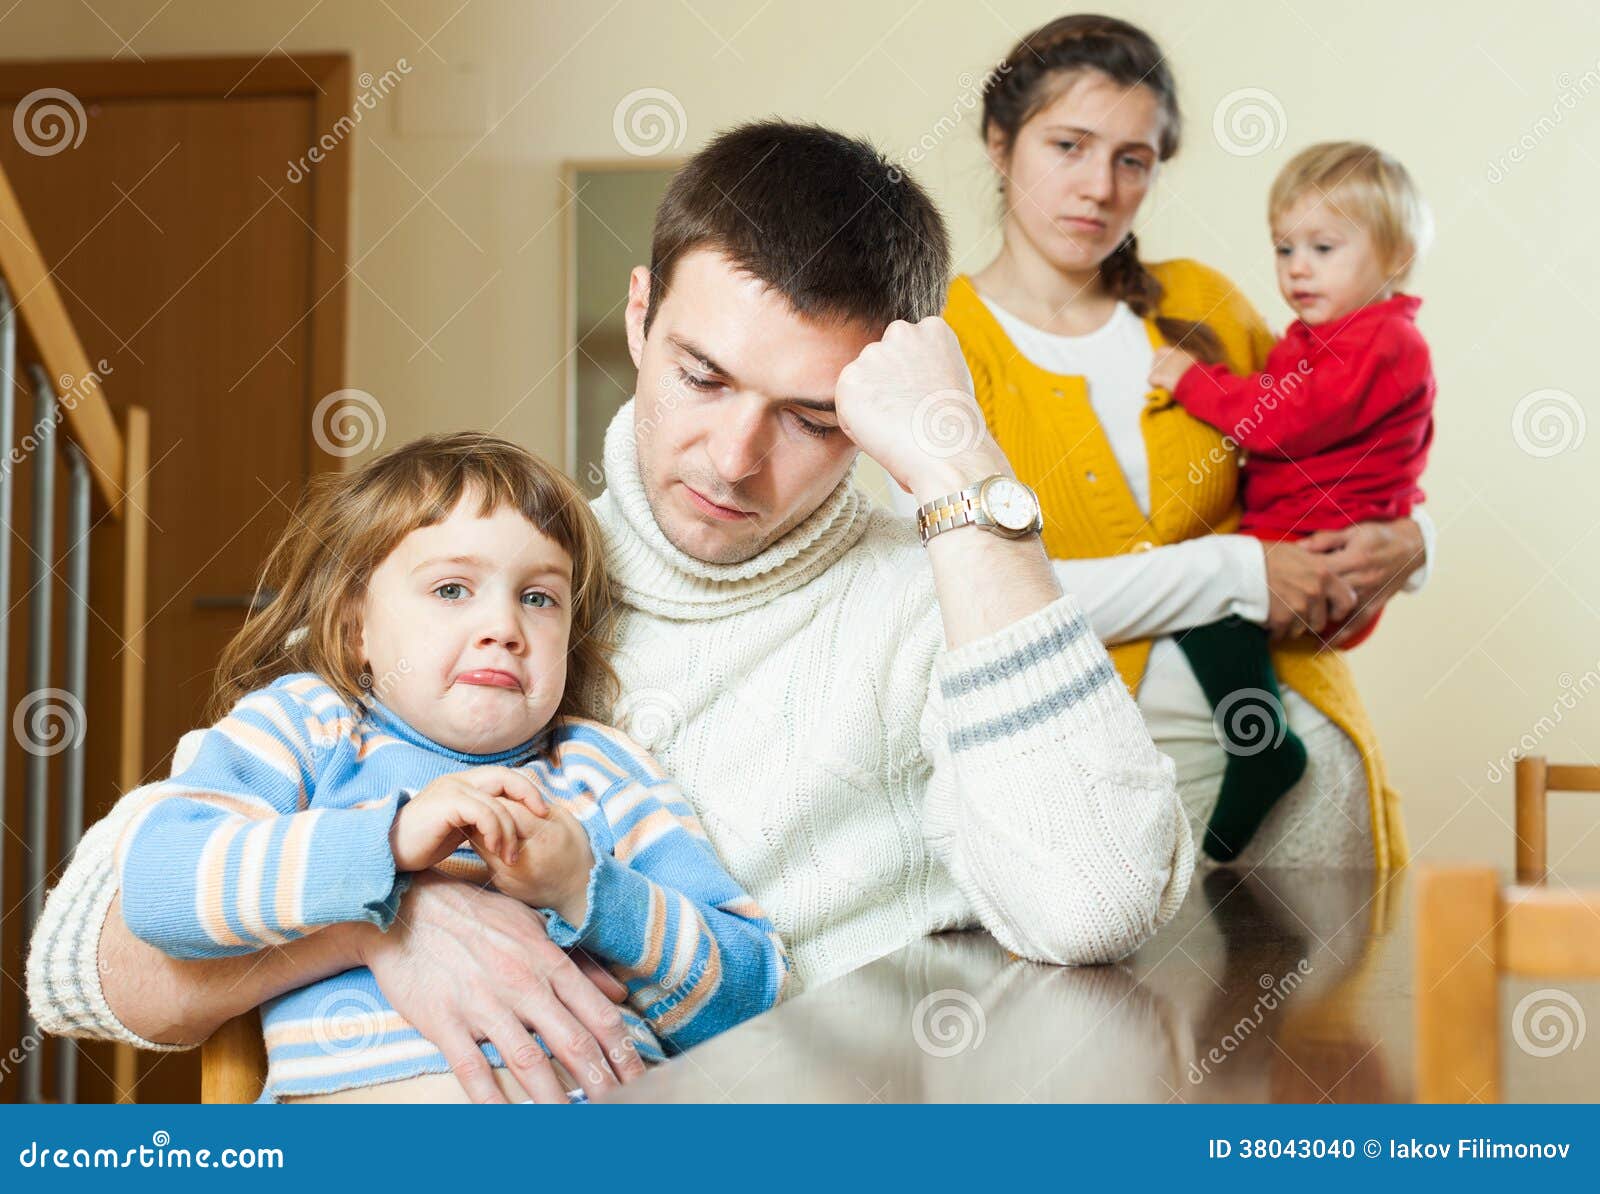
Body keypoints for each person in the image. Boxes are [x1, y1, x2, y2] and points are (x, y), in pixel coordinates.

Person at [29, 119, 1192, 1104]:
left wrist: (959, 470)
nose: (733, 459)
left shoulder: (949, 594)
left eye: (812, 417)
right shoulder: (462, 584)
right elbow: (87, 963)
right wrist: (383, 921)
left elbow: (1092, 906)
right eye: (700, 376)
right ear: (639, 318)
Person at [113, 433, 790, 1101]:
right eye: (451, 589)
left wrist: (587, 889)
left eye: (538, 598)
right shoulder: (308, 728)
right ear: (357, 630)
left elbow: (757, 1001)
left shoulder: (601, 770)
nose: (503, 626)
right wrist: (386, 843)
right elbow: (159, 882)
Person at [939, 14, 1432, 872]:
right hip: (1090, 815)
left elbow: (1354, 433)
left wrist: (1417, 548)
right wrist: (1237, 574)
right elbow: (970, 605)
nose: (1100, 187)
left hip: (1309, 793)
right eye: (1068, 146)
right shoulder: (942, 343)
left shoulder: (1202, 303)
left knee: (1340, 1010)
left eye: (1134, 159)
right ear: (998, 142)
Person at [1149, 141, 1436, 858]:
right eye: (1284, 248)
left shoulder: (1384, 342)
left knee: (1203, 602)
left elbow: (1278, 418)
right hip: (1300, 541)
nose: (1298, 267)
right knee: (1202, 596)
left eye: (1323, 247)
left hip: (1324, 555)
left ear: (1396, 254)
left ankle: (1263, 749)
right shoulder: (1326, 337)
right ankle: (1259, 742)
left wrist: (1192, 380)